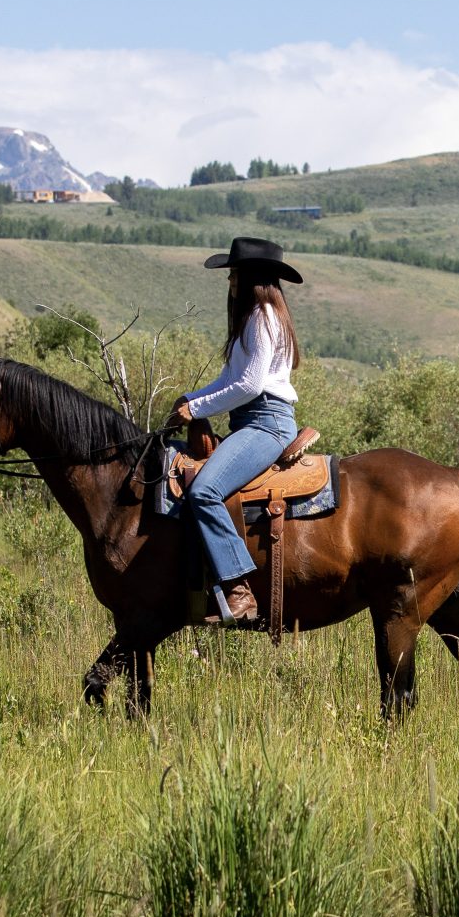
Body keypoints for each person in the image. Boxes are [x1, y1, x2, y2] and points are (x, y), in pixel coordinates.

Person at [172, 236, 305, 625]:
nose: (229, 280)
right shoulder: (256, 317)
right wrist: (190, 398)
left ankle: (239, 590)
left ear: (250, 278)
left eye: (234, 273)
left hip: (266, 422)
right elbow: (229, 380)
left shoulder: (262, 316)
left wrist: (197, 408)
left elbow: (249, 385)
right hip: (252, 421)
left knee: (204, 491)